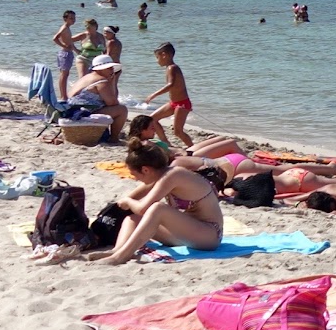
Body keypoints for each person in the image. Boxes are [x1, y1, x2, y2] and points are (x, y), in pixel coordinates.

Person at [85, 140, 222, 265]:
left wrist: (128, 201)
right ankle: (117, 251)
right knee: (132, 219)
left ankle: (120, 257)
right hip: (187, 234)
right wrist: (119, 205)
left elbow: (142, 208)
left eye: (134, 175)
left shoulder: (174, 175)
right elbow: (130, 199)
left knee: (157, 208)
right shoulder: (160, 176)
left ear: (145, 170)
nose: (135, 179)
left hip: (209, 236)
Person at [142, 42, 193, 148]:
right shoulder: (169, 67)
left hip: (182, 104)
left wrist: (153, 95)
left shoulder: (172, 68)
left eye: (158, 57)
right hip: (173, 103)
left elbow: (171, 84)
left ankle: (192, 147)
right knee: (152, 119)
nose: (157, 61)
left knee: (178, 132)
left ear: (164, 55)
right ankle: (166, 143)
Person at [66, 55, 128, 138]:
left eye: (112, 67)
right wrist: (113, 82)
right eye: (109, 68)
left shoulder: (87, 77)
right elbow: (113, 102)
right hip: (83, 113)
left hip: (71, 111)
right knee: (122, 110)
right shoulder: (101, 81)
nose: (112, 70)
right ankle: (114, 138)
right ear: (101, 69)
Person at [51, 9, 78, 101]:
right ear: (65, 19)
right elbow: (55, 38)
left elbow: (70, 42)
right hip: (65, 53)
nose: (73, 20)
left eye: (74, 18)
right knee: (64, 74)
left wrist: (76, 50)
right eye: (71, 18)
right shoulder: (64, 28)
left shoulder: (67, 28)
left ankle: (64, 95)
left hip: (68, 53)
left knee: (65, 74)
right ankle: (63, 96)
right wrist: (63, 45)